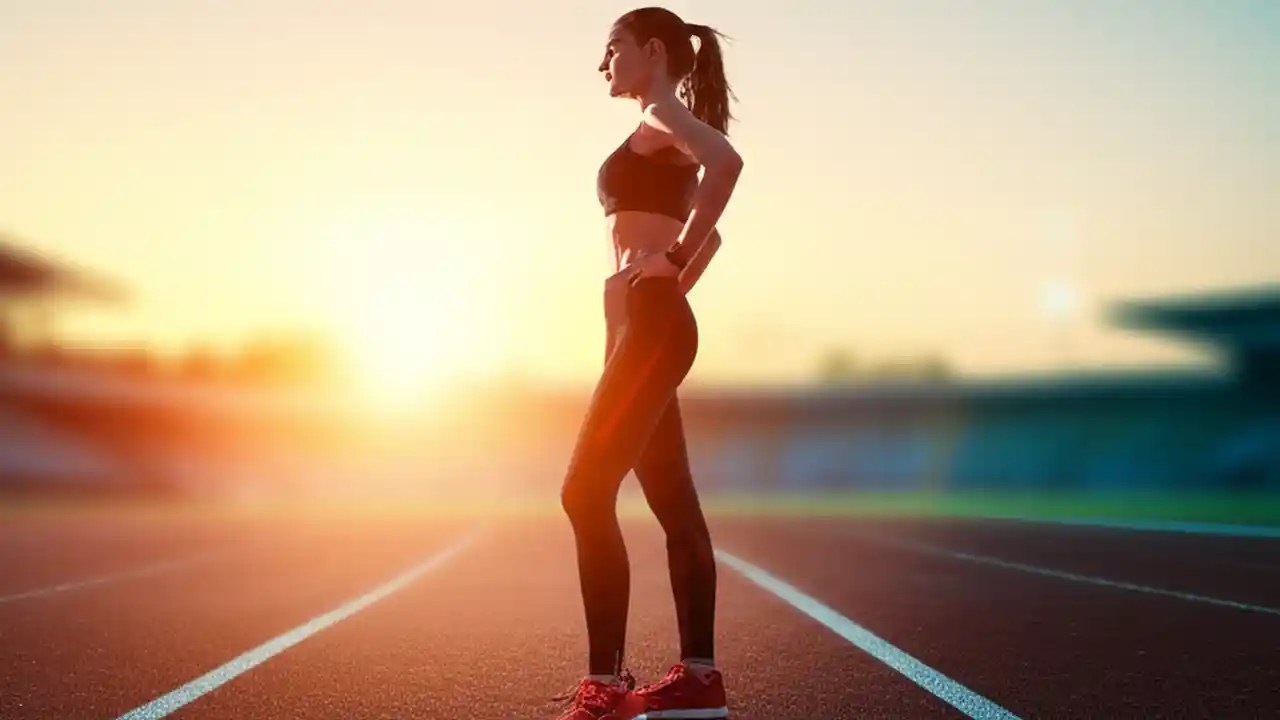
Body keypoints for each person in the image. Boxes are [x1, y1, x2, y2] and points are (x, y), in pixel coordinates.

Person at [554, 6, 744, 720]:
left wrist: (668, 267)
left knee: (582, 493)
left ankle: (603, 688)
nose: (603, 64)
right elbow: (712, 231)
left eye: (613, 48)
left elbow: (727, 164)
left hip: (655, 322)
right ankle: (699, 682)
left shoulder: (665, 114)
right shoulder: (654, 130)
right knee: (673, 506)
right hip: (644, 323)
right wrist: (651, 287)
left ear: (653, 51)